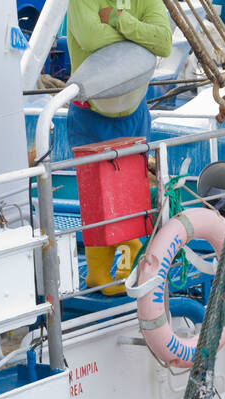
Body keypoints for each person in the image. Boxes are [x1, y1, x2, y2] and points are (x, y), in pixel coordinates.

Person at [67, 0, 172, 293]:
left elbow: (163, 43)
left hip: (134, 114)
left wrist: (117, 20)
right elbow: (90, 38)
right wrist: (140, 38)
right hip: (90, 115)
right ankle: (99, 273)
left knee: (133, 194)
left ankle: (128, 265)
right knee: (97, 200)